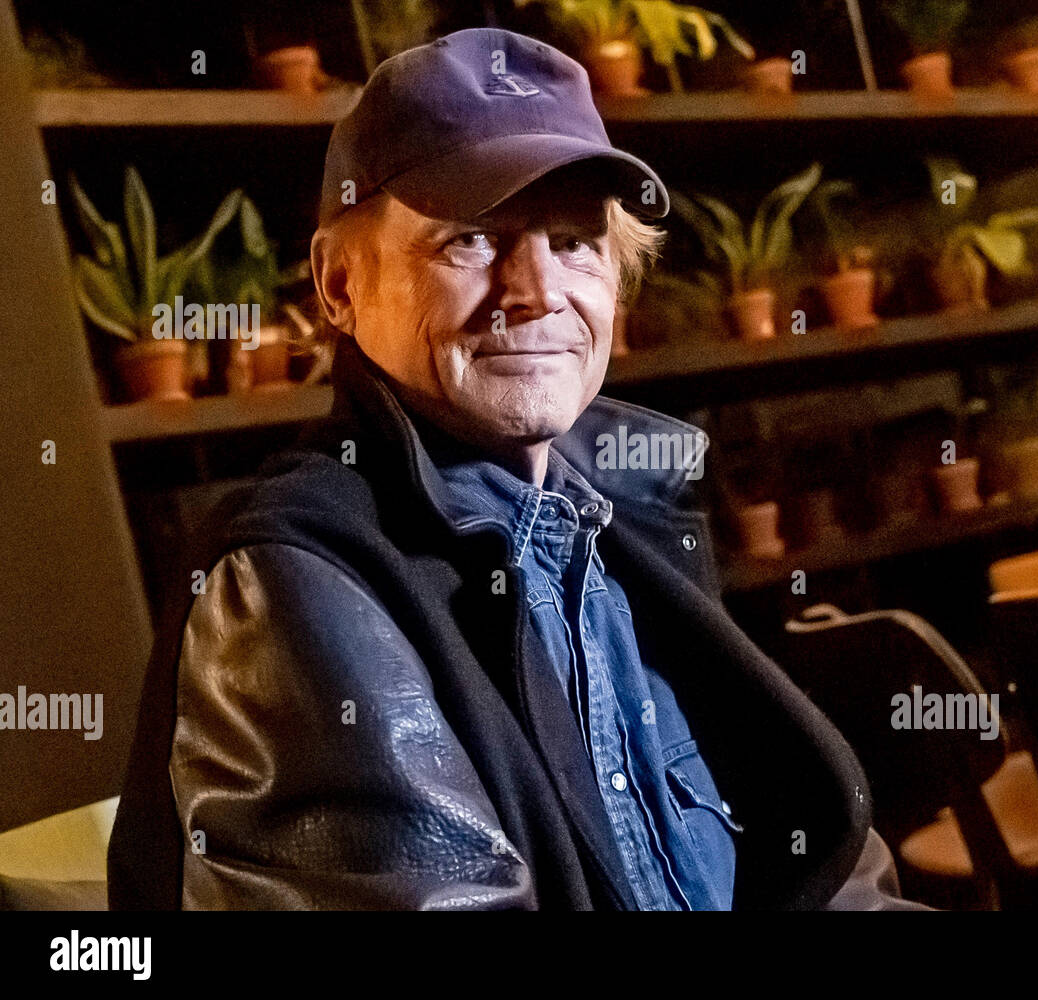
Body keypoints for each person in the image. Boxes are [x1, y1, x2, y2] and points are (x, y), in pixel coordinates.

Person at [108, 27, 926, 911]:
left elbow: (821, 872)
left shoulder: (620, 528)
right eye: (469, 239)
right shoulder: (299, 587)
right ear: (339, 285)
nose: (536, 289)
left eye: (574, 241)